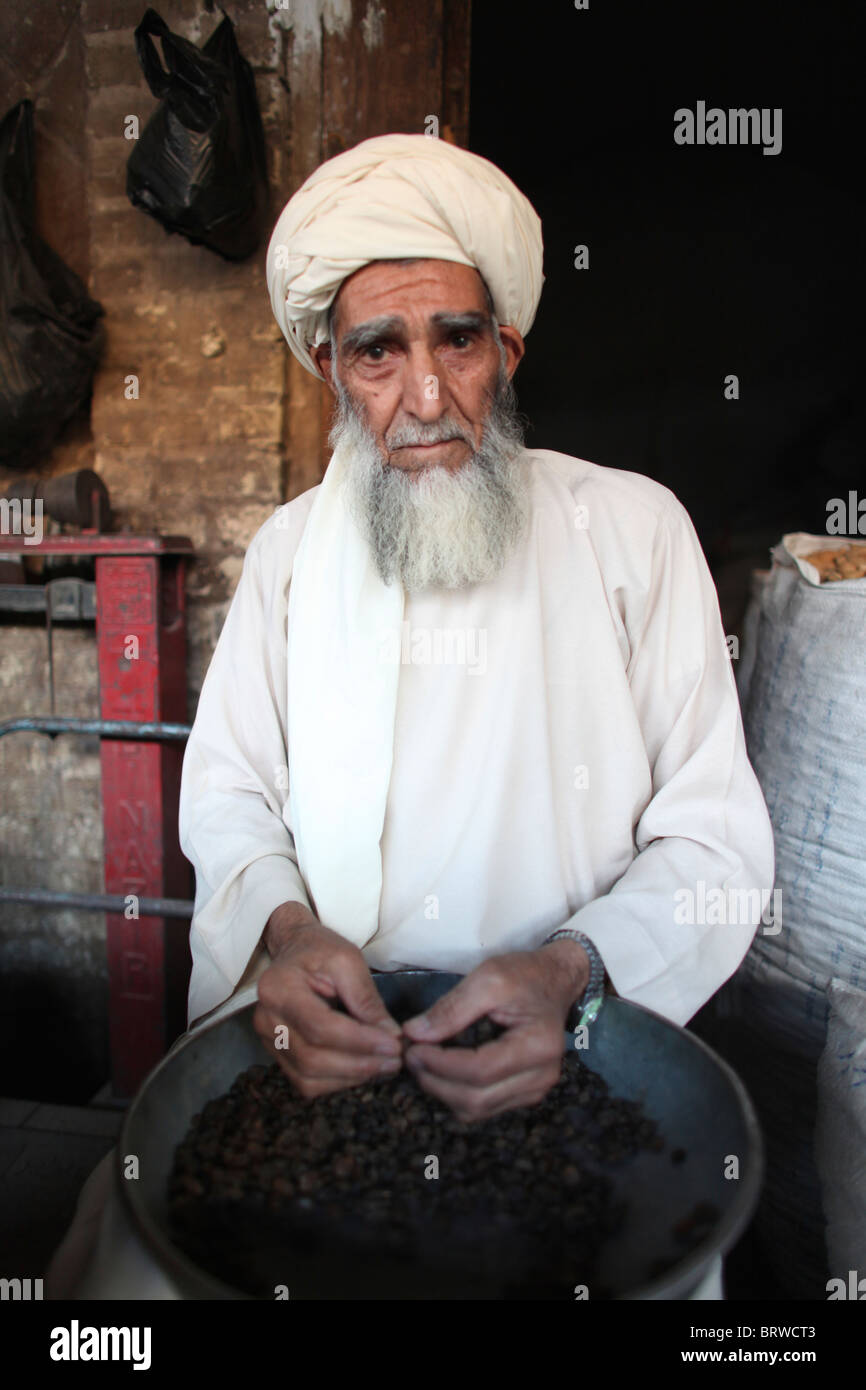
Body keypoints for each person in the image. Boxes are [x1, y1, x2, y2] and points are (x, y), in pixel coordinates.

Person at [46, 132, 773, 1298]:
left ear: (509, 351)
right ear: (332, 371)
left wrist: (567, 976)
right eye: (379, 351)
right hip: (317, 1066)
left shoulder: (633, 531)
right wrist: (283, 938)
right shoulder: (289, 554)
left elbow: (712, 846)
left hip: (569, 1061)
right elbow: (230, 798)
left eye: (457, 340)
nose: (424, 394)